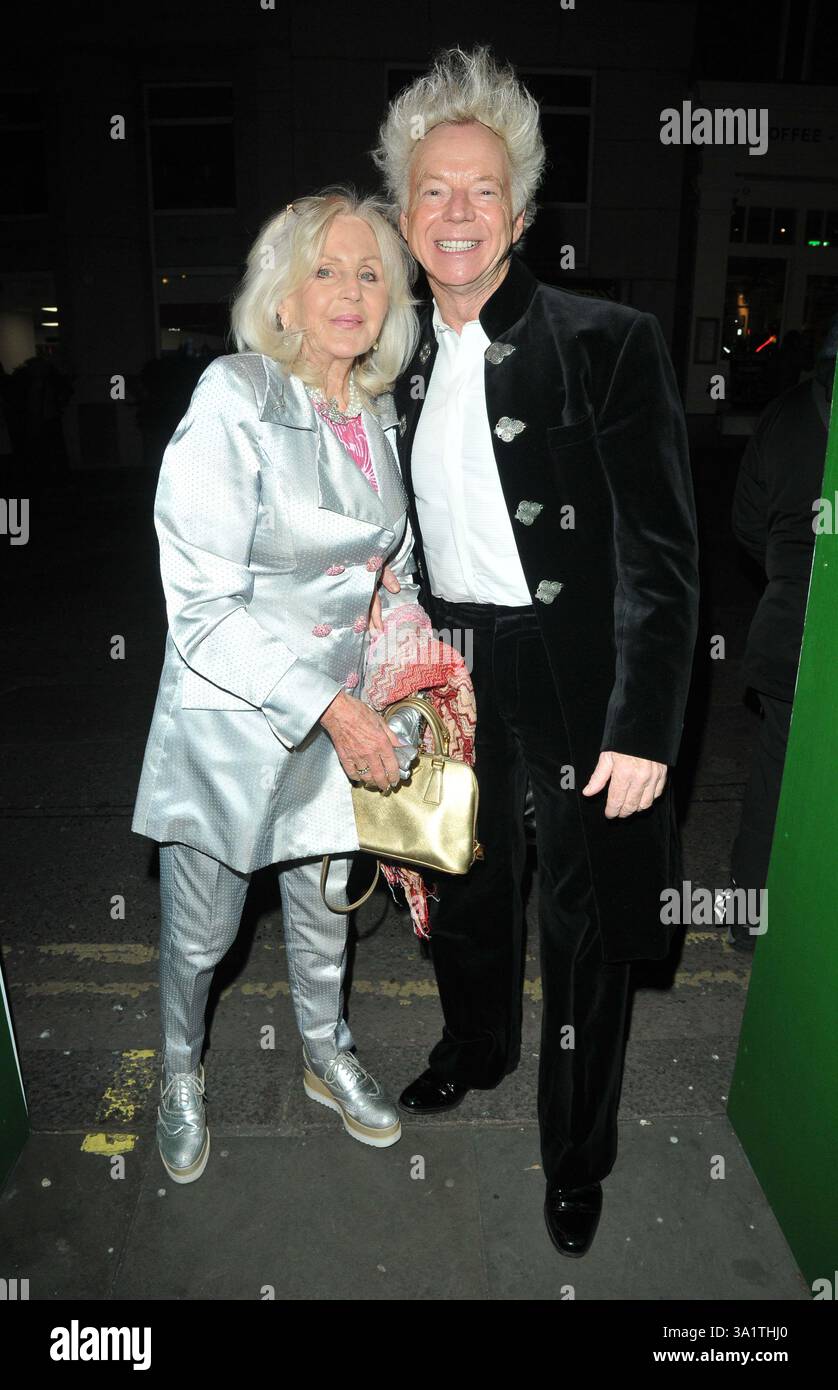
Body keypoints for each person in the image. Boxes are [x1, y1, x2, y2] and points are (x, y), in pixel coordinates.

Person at [372, 47, 700, 1256]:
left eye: (482, 189)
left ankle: (575, 1151)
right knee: (459, 881)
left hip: (574, 669)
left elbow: (662, 556)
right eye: (433, 190)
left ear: (520, 213)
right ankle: (475, 1046)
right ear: (405, 212)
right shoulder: (388, 356)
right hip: (449, 659)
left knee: (582, 919)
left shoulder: (607, 339)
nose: (457, 212)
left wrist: (644, 725)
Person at [131, 190, 421, 1181]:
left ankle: (325, 1052)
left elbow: (391, 567)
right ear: (283, 298)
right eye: (325, 270)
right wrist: (334, 709)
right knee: (202, 936)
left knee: (325, 912)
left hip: (343, 724)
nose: (350, 290)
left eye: (370, 273)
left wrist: (416, 662)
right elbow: (202, 609)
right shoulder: (235, 395)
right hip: (235, 721)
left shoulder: (375, 412)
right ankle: (180, 1072)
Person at [725, 314, 837, 950]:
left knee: (774, 783)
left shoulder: (786, 411)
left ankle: (750, 919)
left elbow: (747, 521)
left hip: (785, 632)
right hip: (817, 636)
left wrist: (791, 573)